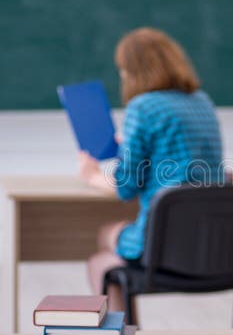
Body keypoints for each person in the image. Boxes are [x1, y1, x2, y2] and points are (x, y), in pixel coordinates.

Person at [79, 27, 224, 319]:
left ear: (133, 72)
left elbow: (126, 187)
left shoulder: (141, 107)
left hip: (165, 244)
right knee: (114, 244)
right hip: (214, 242)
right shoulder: (202, 102)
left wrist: (92, 175)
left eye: (122, 71)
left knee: (104, 246)